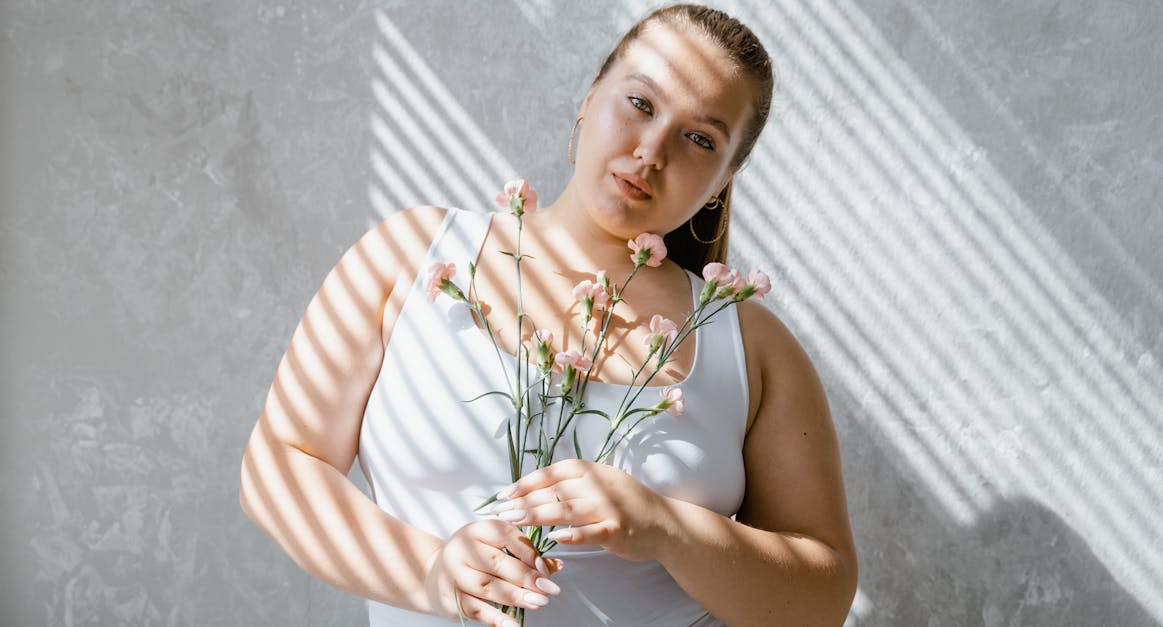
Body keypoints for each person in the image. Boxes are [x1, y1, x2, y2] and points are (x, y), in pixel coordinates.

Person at [239, 4, 857, 626]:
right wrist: (430, 575)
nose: (650, 151)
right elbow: (279, 465)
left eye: (700, 139)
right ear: (590, 98)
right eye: (640, 104)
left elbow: (824, 597)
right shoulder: (413, 257)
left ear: (725, 178)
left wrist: (667, 526)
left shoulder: (750, 347)